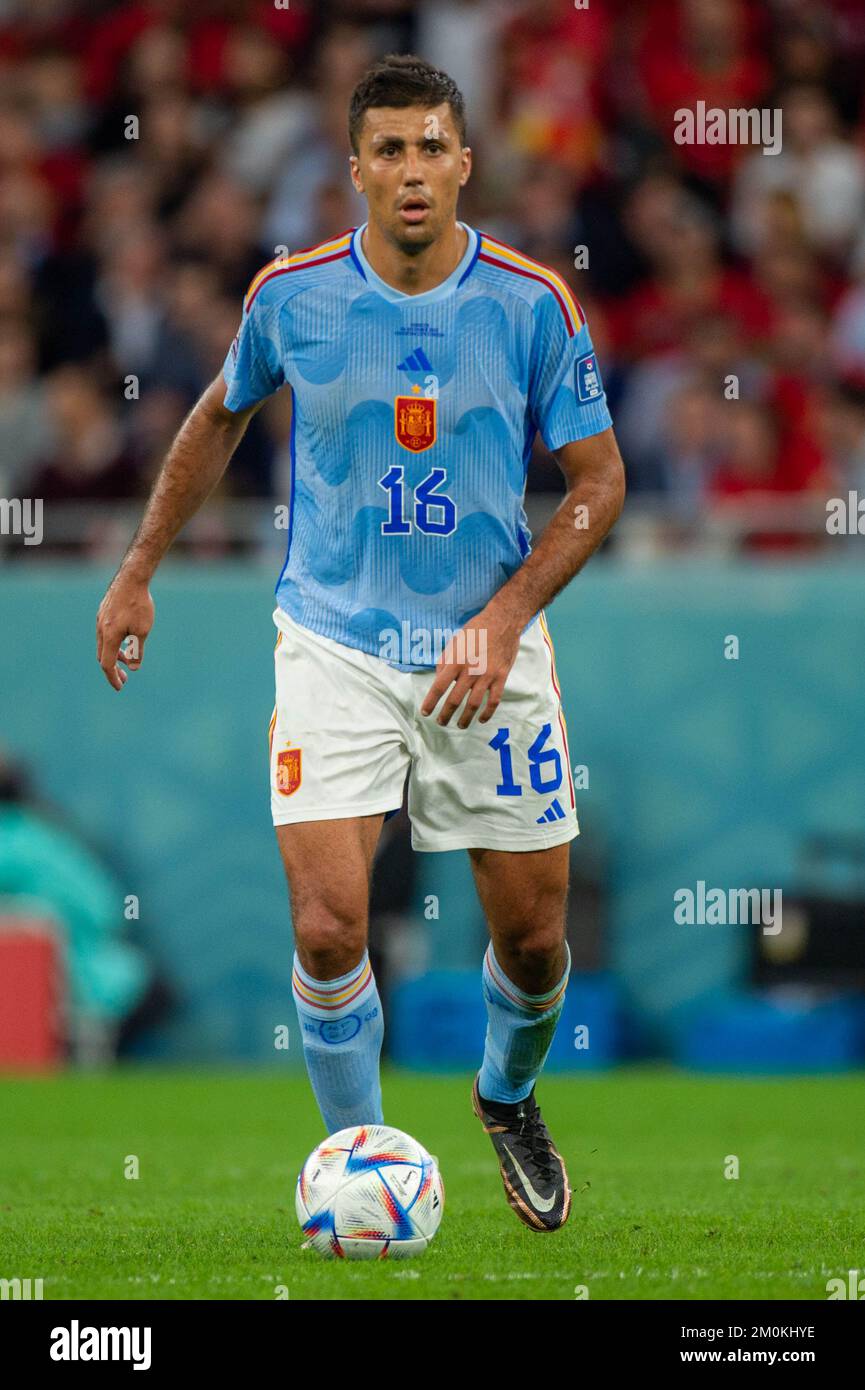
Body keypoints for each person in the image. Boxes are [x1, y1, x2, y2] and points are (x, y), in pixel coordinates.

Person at [95, 54, 625, 1234]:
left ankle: (507, 1094)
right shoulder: (292, 296)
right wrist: (138, 567)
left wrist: (504, 616)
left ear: (465, 162)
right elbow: (219, 414)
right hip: (331, 642)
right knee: (330, 922)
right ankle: (359, 1161)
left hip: (488, 650)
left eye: (432, 146)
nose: (412, 170)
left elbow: (598, 483)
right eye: (388, 150)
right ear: (355, 171)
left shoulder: (533, 302)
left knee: (534, 942)